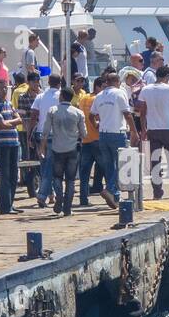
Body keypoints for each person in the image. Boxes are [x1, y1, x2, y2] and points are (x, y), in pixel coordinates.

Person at [89, 71, 139, 208]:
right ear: (117, 82)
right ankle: (110, 189)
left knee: (110, 166)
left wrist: (96, 125)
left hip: (103, 134)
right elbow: (127, 114)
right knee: (122, 165)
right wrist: (134, 131)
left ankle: (115, 196)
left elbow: (91, 115)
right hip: (117, 132)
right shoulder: (119, 93)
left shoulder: (99, 96)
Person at [138, 64, 169, 198]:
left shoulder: (146, 89)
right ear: (167, 76)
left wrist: (143, 128)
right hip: (168, 128)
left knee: (155, 160)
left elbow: (142, 111)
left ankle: (157, 191)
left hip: (153, 129)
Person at [41, 92, 86, 215]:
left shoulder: (53, 111)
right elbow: (84, 134)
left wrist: (42, 147)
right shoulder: (78, 113)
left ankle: (59, 197)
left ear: (61, 97)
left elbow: (45, 131)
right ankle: (68, 207)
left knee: (57, 177)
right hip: (72, 150)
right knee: (70, 180)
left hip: (57, 149)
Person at [0, 79, 23, 215]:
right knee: (5, 175)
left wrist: (10, 122)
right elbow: (1, 124)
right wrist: (12, 122)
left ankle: (10, 204)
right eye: (2, 88)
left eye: (6, 88)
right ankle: (5, 206)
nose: (4, 90)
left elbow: (19, 119)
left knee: (14, 175)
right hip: (2, 142)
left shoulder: (8, 103)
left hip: (14, 141)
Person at [30, 74, 63, 207]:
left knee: (45, 166)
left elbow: (33, 115)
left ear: (48, 82)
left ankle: (50, 195)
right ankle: (44, 194)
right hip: (56, 134)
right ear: (59, 83)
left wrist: (29, 134)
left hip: (41, 133)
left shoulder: (40, 96)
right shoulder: (61, 96)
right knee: (52, 167)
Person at [72, 75, 101, 207]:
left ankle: (83, 199)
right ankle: (110, 194)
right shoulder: (97, 99)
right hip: (97, 139)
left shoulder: (83, 99)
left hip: (85, 139)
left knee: (84, 173)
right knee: (107, 168)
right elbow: (98, 118)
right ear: (98, 87)